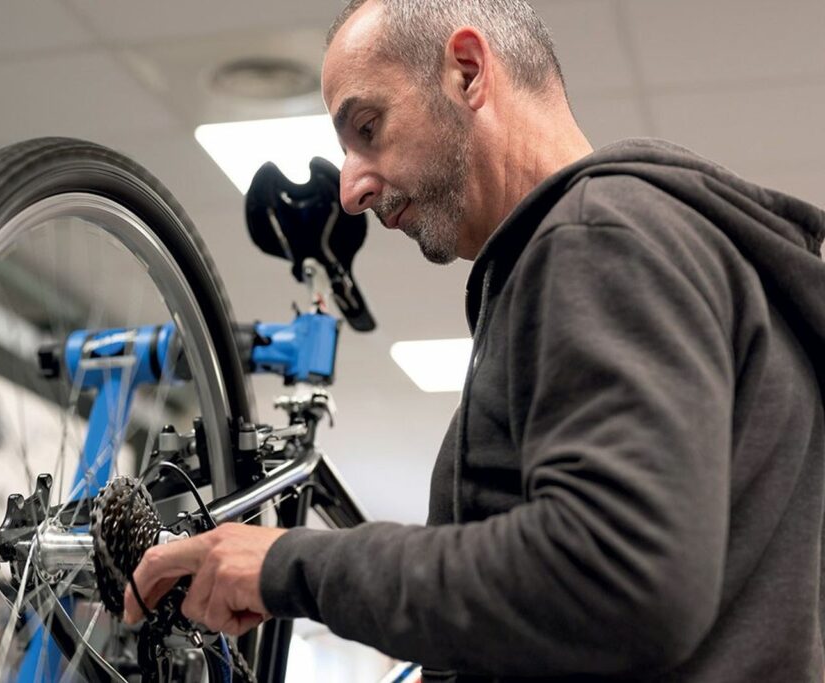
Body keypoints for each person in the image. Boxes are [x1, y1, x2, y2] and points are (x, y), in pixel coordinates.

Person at [124, 0, 825, 680]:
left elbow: (620, 576)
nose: (350, 191)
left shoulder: (600, 236)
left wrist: (288, 565)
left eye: (368, 126)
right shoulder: (666, 248)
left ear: (467, 71)